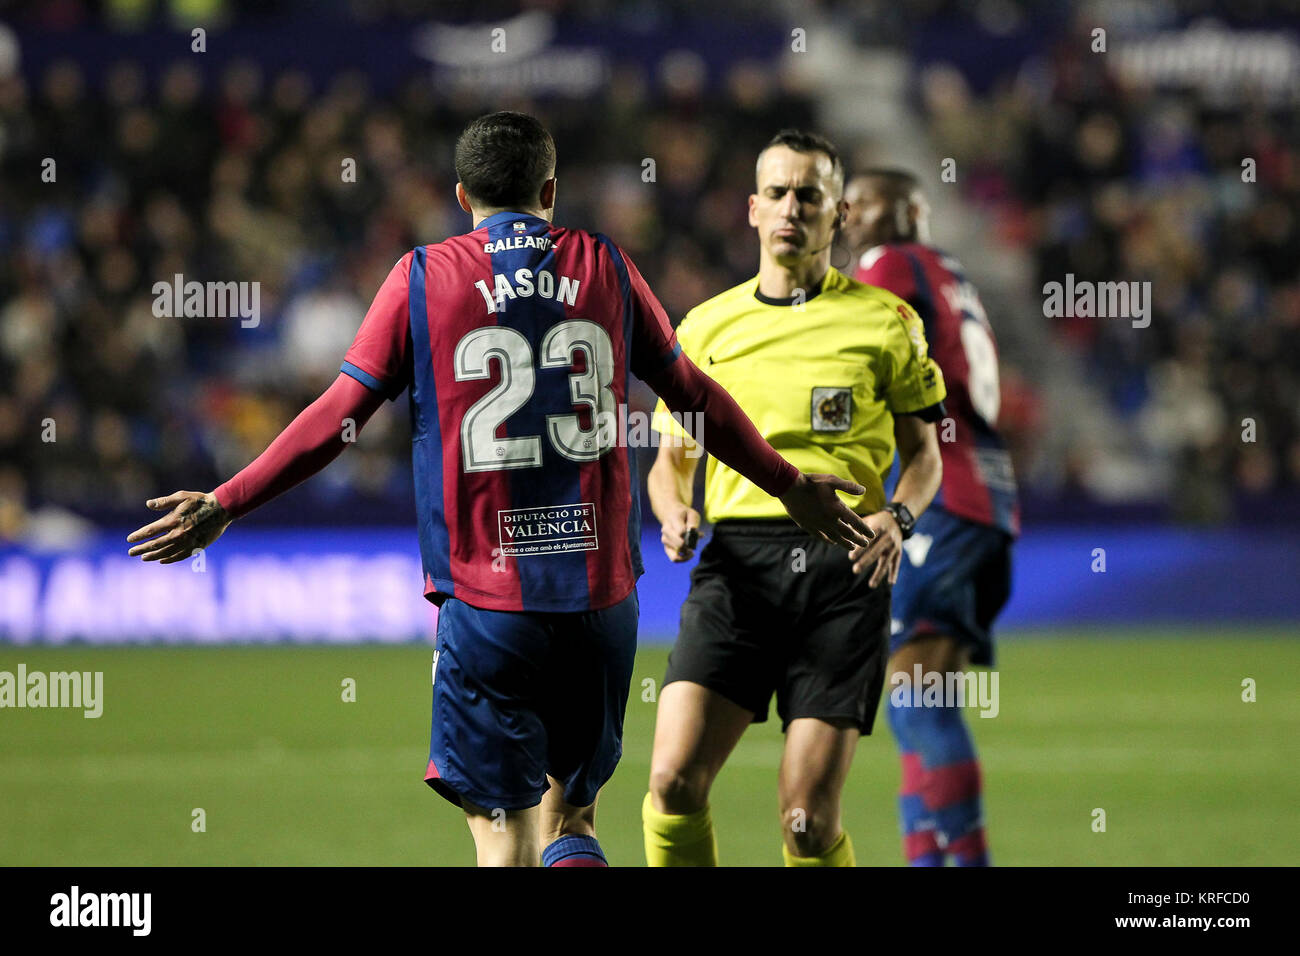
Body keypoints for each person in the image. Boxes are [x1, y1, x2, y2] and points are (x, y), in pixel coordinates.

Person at [126, 111, 873, 867]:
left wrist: (227, 501)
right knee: (573, 821)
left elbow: (337, 416)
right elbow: (694, 396)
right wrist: (787, 483)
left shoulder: (422, 277)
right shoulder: (604, 266)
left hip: (488, 604)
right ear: (551, 188)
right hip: (599, 601)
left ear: (460, 195)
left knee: (503, 841)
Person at [642, 131, 946, 866]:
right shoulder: (705, 328)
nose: (791, 208)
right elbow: (669, 464)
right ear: (751, 209)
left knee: (806, 820)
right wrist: (673, 510)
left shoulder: (886, 322)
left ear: (839, 213)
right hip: (737, 569)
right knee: (674, 781)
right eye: (776, 192)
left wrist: (896, 516)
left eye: (809, 195)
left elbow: (927, 458)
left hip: (846, 571)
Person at [843, 168, 1020, 866]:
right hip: (986, 499)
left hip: (943, 500)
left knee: (919, 697)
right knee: (915, 694)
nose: (851, 216)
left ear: (909, 208)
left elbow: (856, 353)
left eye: (863, 203)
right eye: (847, 206)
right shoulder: (952, 273)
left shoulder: (889, 264)